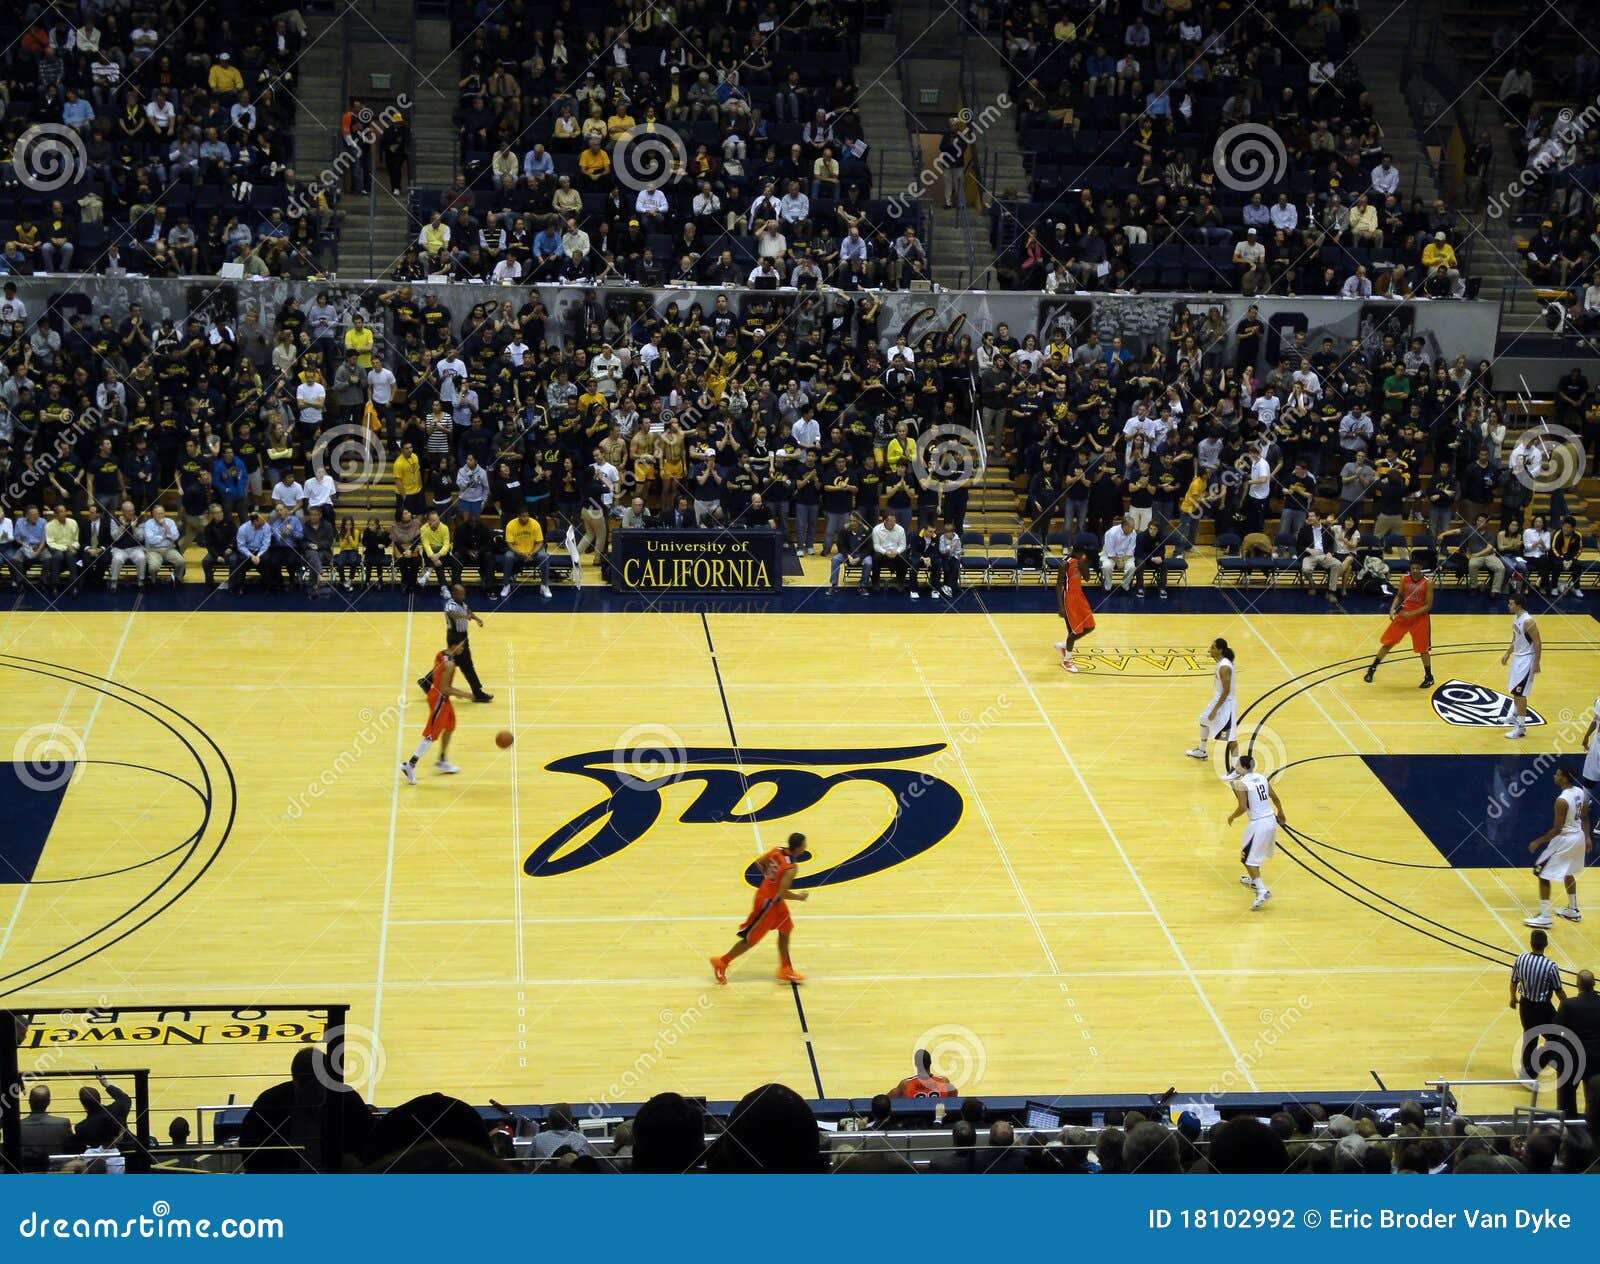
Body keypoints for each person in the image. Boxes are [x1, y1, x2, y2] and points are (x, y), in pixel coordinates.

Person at [710, 831, 809, 984]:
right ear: (798, 849)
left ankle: (786, 969)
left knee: (786, 928)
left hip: (773, 900)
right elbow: (782, 893)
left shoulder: (778, 850)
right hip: (768, 904)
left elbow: (759, 862)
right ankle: (722, 962)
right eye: (803, 846)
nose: (805, 848)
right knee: (751, 940)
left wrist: (770, 880)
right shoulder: (791, 868)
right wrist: (799, 897)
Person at [1522, 767, 1590, 928]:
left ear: (1566, 778)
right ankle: (1573, 909)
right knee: (1569, 872)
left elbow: (1557, 829)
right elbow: (1585, 816)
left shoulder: (1561, 800)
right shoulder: (1580, 791)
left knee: (1541, 872)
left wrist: (1538, 841)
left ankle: (1545, 916)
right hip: (1578, 836)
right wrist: (1587, 837)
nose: (1555, 776)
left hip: (1565, 839)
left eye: (1558, 774)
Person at [400, 638, 470, 784]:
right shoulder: (450, 664)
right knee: (431, 735)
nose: (463, 648)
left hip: (439, 696)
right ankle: (410, 764)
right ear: (454, 645)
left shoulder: (441, 654)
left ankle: (442, 760)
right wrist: (465, 694)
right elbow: (445, 688)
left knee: (450, 726)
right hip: (439, 699)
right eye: (461, 645)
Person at [1363, 560, 1435, 687]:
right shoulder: (1404, 579)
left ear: (1421, 569)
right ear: (1410, 569)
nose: (1415, 570)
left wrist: (1412, 614)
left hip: (1420, 617)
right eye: (1413, 568)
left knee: (1422, 649)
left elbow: (1428, 606)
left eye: (1418, 568)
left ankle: (1429, 676)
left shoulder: (1428, 582)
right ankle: (1372, 669)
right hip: (1404, 614)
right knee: (1388, 642)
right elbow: (1399, 596)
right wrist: (1392, 609)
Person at [417, 584, 494, 701]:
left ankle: (426, 681)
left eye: (464, 593)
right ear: (454, 594)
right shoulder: (450, 605)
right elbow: (452, 614)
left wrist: (477, 619)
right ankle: (477, 693)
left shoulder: (461, 603)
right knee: (467, 665)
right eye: (461, 594)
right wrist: (464, 616)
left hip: (463, 636)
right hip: (455, 637)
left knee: (453, 661)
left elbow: (468, 611)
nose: (463, 596)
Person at [1228, 753, 1285, 911]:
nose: (1236, 766)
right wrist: (1281, 812)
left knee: (1247, 859)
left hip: (1258, 824)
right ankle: (1254, 881)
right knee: (1254, 854)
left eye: (1238, 764)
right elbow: (1275, 797)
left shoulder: (1241, 784)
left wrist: (1231, 817)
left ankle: (1262, 890)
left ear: (1244, 767)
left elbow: (1242, 807)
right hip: (1270, 821)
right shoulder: (1261, 777)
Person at [1510, 928, 1566, 1079]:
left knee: (1530, 1037)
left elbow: (1514, 981)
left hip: (1525, 1005)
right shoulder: (1550, 966)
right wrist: (1567, 1005)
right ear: (1546, 944)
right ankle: (1540, 1063)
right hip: (1543, 1008)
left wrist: (1512, 998)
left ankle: (1525, 1070)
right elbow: (1558, 990)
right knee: (1556, 1036)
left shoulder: (1520, 959)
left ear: (1530, 943)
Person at [1186, 639, 1239, 773]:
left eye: (1213, 648)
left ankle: (1237, 768)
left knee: (1231, 737)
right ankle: (1202, 750)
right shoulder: (1221, 663)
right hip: (1219, 700)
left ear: (1220, 650)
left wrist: (1215, 709)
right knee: (1203, 720)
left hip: (1226, 704)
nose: (1209, 650)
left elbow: (1226, 691)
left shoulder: (1224, 667)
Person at [1555, 969, 1600, 1123]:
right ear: (1594, 984)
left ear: (1577, 985)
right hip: (1597, 1058)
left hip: (1572, 1057)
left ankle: (1568, 1131)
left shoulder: (1568, 1005)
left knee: (1566, 1098)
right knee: (1596, 1098)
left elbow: (1556, 1029)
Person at [1502, 594, 1540, 739]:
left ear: (1518, 605)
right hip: (1518, 658)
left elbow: (1538, 642)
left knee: (1519, 693)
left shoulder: (1528, 621)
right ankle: (1514, 716)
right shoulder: (1516, 617)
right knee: (1514, 690)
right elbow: (1516, 639)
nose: (1508, 606)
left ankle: (1521, 728)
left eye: (1511, 603)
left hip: (1526, 661)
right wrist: (1507, 653)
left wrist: (1536, 663)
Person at [1055, 545, 1096, 671]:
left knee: (1090, 626)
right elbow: (1058, 586)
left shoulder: (1081, 561)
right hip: (1068, 597)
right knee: (1074, 631)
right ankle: (1067, 661)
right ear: (1074, 553)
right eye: (1080, 555)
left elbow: (1088, 578)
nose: (1081, 557)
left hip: (1079, 595)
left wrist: (1084, 567)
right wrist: (1061, 607)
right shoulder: (1064, 564)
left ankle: (1063, 645)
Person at [19, 1085, 74, 1172]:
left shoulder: (17, 1126)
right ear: (48, 1102)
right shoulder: (62, 1123)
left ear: (29, 1101)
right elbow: (72, 1149)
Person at [827, 511, 873, 594]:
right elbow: (840, 546)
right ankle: (834, 585)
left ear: (859, 521)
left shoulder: (866, 530)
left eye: (854, 521)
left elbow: (869, 548)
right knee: (835, 559)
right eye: (850, 520)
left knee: (869, 562)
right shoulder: (844, 529)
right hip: (847, 554)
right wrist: (848, 556)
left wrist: (860, 557)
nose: (852, 523)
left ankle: (863, 586)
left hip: (861, 555)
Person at [887, 1048, 958, 1098]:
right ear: (930, 1062)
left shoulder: (906, 1084)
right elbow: (954, 1094)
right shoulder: (943, 1081)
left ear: (916, 1064)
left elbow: (889, 1097)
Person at [1099, 514, 1137, 591]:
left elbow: (1130, 550)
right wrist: (1118, 562)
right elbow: (1110, 551)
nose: (1133, 529)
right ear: (1125, 526)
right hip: (1110, 556)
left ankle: (1125, 585)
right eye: (1131, 527)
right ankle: (1108, 586)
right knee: (1107, 566)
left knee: (1131, 567)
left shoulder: (1133, 533)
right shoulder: (1112, 532)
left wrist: (1123, 561)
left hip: (1125, 556)